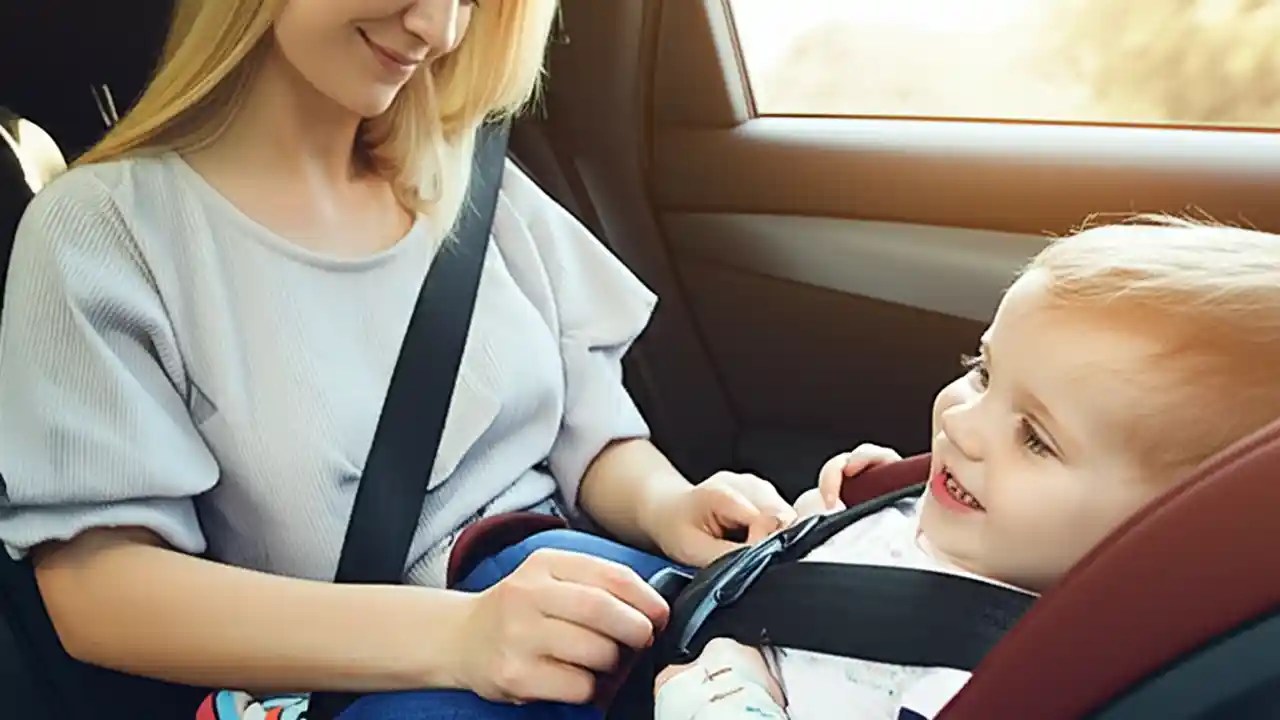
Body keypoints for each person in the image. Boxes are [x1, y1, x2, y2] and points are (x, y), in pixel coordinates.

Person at [0, 1, 798, 718]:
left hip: (601, 621)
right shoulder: (105, 231)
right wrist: (463, 637)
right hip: (393, 680)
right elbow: (98, 591)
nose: (442, 28)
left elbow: (590, 434)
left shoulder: (471, 184)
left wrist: (667, 505)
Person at [649, 216, 1280, 720]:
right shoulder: (990, 534)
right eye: (982, 373)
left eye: (1035, 439)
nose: (961, 423)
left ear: (1159, 535)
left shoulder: (986, 683)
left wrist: (718, 697)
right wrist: (850, 514)